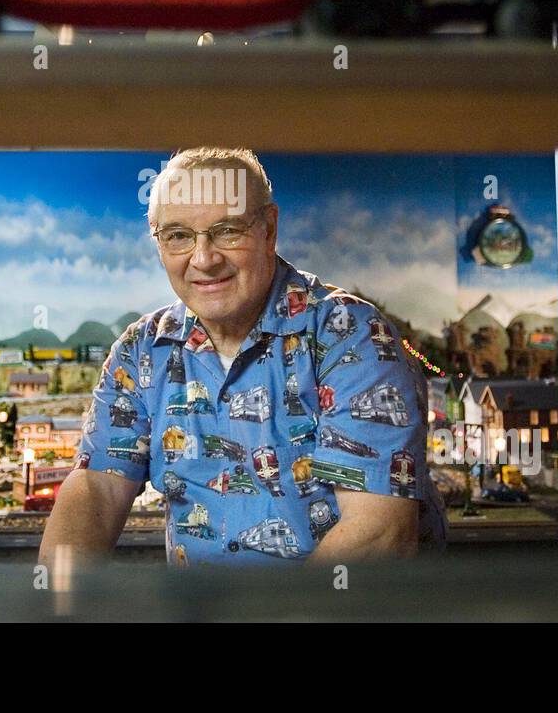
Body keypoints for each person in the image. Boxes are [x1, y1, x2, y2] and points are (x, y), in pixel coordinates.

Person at [40, 147, 447, 566]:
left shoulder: (352, 335)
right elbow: (96, 489)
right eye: (178, 236)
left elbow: (381, 536)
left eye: (227, 231)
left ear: (269, 230)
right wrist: (61, 597)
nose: (204, 259)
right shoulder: (141, 349)